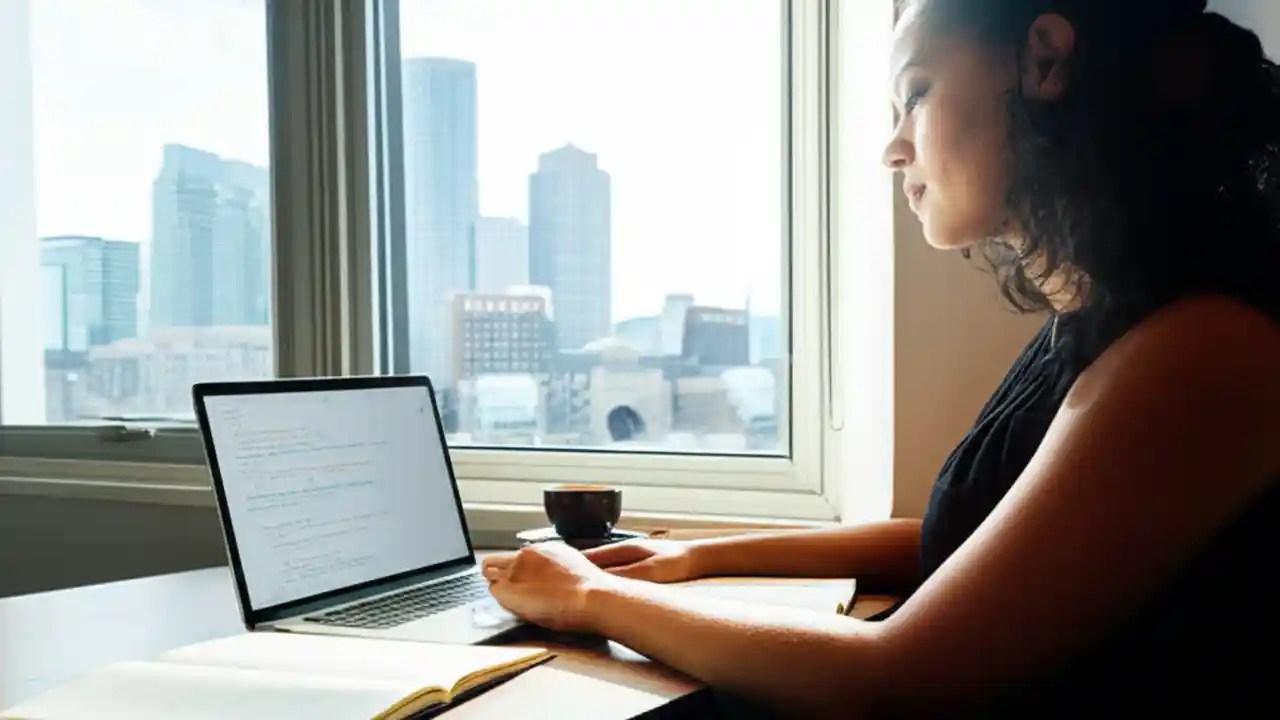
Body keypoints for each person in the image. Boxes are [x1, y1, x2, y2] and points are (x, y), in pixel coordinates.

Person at [483, 0, 1280, 715]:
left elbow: (896, 676)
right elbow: (965, 540)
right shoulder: (1104, 320)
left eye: (917, 93)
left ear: (1043, 61)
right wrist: (692, 555)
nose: (892, 150)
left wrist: (592, 598)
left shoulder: (1201, 350)